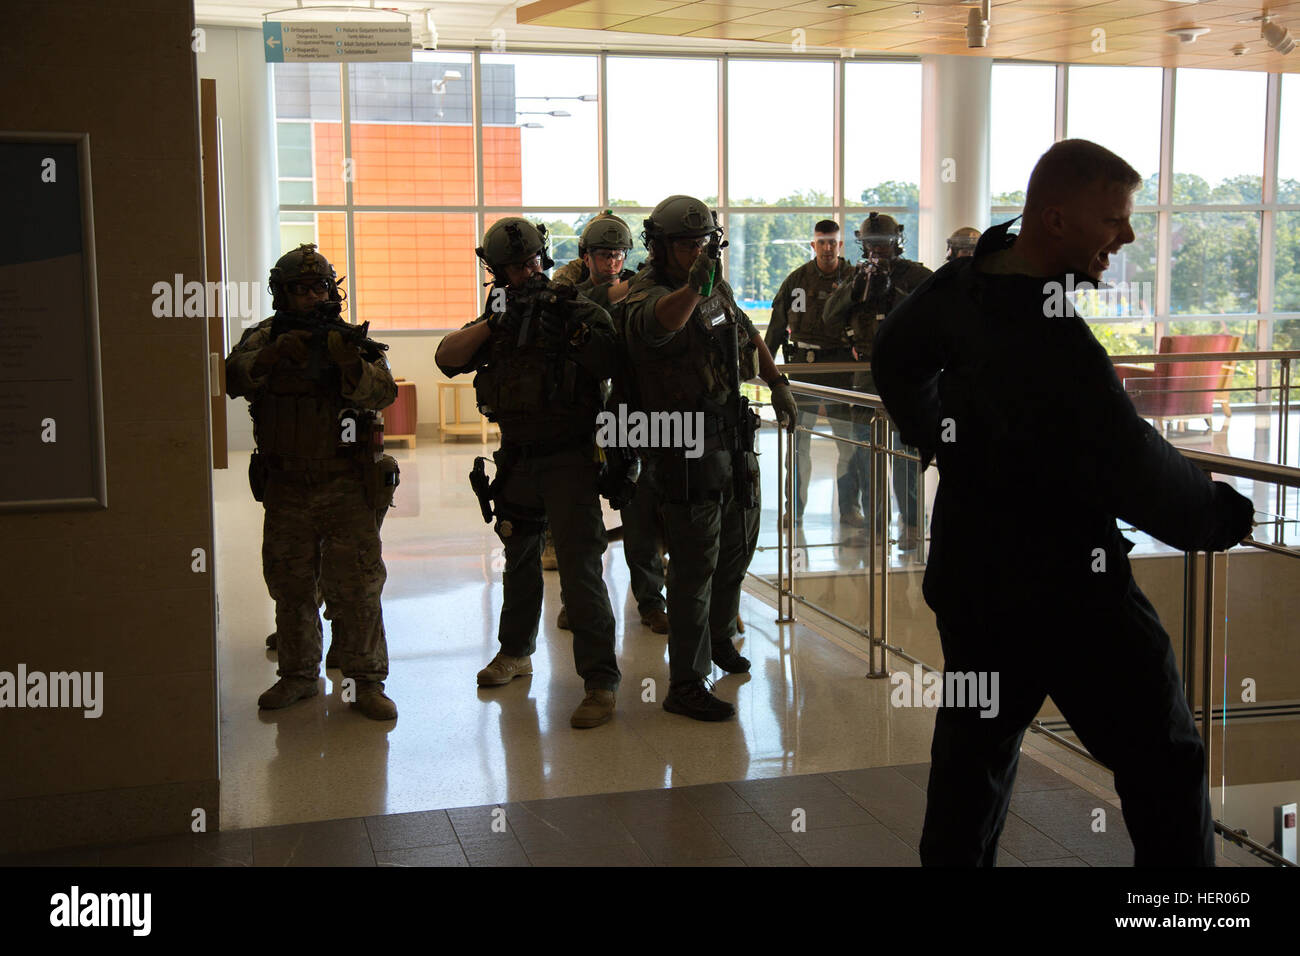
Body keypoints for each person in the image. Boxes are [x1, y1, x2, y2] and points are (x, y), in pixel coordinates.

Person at [872, 139, 1256, 866]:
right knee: (1164, 762)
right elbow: (1134, 465)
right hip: (1071, 597)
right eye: (1115, 219)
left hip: (973, 580)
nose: (1129, 236)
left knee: (971, 763)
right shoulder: (1059, 343)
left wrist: (942, 439)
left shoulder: (962, 284)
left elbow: (894, 353)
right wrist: (1223, 515)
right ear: (1055, 220)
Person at [616, 195, 798, 721]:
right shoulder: (644, 294)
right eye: (685, 243)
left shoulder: (715, 285)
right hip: (684, 450)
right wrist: (695, 285)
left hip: (732, 442)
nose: (696, 251)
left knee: (736, 553)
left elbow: (745, 329)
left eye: (702, 242)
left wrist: (775, 380)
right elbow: (659, 326)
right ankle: (687, 683)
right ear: (659, 246)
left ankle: (720, 640)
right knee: (694, 570)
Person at [436, 217, 622, 729]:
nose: (527, 272)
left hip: (569, 457)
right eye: (515, 267)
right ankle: (515, 652)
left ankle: (601, 681)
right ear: (496, 272)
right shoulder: (496, 317)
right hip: (517, 457)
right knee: (518, 559)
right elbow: (446, 358)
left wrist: (572, 328)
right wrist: (493, 324)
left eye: (533, 261)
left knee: (581, 571)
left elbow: (612, 361)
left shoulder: (575, 309)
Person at [226, 244, 400, 720]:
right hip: (286, 483)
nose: (310, 296)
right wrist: (270, 359)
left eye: (318, 287)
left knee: (358, 584)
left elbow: (384, 393)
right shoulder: (263, 338)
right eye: (299, 289)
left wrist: (349, 365)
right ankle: (298, 675)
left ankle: (367, 681)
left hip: (345, 481)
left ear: (332, 291)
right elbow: (233, 378)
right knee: (291, 583)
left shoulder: (348, 340)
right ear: (281, 294)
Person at [550, 212, 670, 634]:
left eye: (619, 255)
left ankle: (651, 602)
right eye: (604, 255)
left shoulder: (637, 286)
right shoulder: (567, 291)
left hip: (625, 410)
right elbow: (590, 301)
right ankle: (576, 600)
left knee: (640, 511)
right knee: (582, 519)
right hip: (582, 414)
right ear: (586, 256)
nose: (613, 262)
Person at [824, 213, 932, 548]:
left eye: (882, 245)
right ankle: (875, 526)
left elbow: (937, 318)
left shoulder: (917, 276)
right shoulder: (858, 278)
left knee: (904, 457)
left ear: (896, 242)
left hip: (905, 377)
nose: (877, 252)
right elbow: (829, 317)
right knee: (866, 457)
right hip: (865, 378)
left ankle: (911, 525)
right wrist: (854, 292)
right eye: (870, 245)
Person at [763, 219, 859, 527]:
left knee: (847, 443)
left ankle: (849, 509)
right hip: (804, 366)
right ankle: (796, 509)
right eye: (822, 242)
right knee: (798, 442)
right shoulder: (797, 280)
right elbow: (777, 326)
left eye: (833, 242)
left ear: (840, 245)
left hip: (842, 368)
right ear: (812, 245)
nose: (828, 247)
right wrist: (766, 370)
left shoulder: (855, 280)